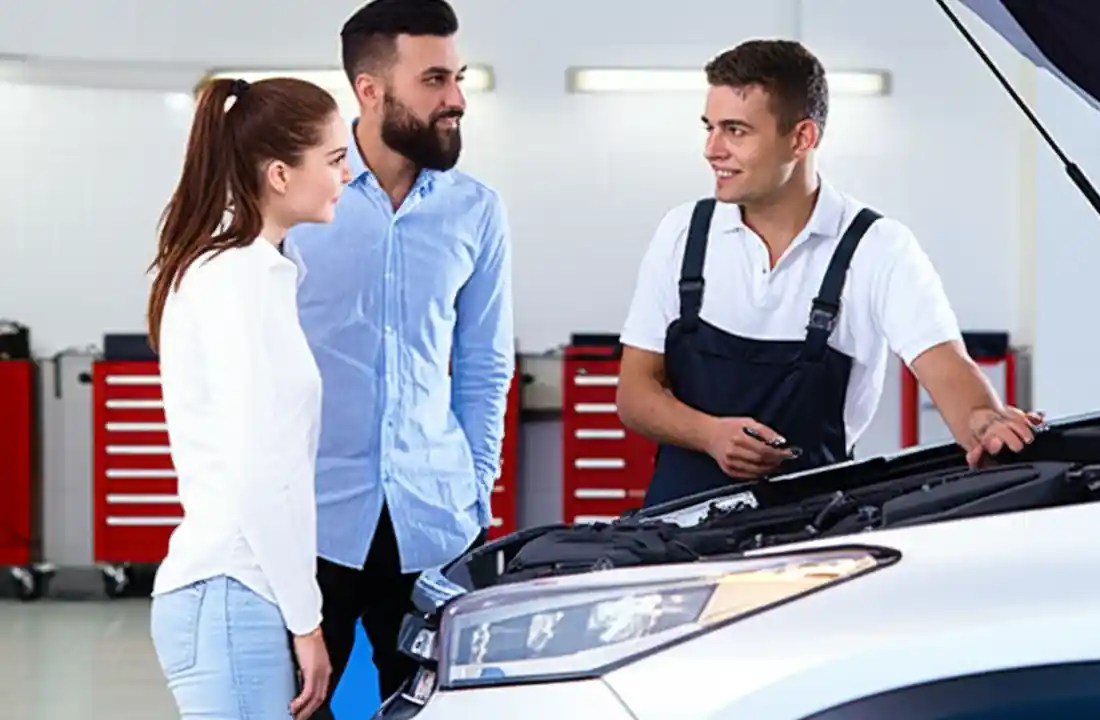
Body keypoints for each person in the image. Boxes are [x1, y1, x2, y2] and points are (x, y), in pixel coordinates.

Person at [617, 39, 1043, 507]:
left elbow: (946, 366)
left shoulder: (878, 248)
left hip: (816, 535)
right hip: (676, 529)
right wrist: (709, 435)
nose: (712, 149)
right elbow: (634, 393)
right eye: (710, 128)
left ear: (801, 138)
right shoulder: (681, 233)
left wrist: (985, 421)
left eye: (735, 131)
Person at [280, 0, 514, 711]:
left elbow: (484, 362)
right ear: (372, 91)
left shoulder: (476, 209)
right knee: (302, 705)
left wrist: (474, 488)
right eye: (436, 80)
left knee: (434, 707)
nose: (456, 100)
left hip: (435, 523)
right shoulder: (296, 200)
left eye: (458, 78)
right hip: (312, 523)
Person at [146, 76, 351, 720]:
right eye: (336, 159)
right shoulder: (239, 280)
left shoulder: (244, 271)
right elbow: (259, 475)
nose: (347, 176)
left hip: (230, 592)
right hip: (233, 592)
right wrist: (307, 620)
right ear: (281, 174)